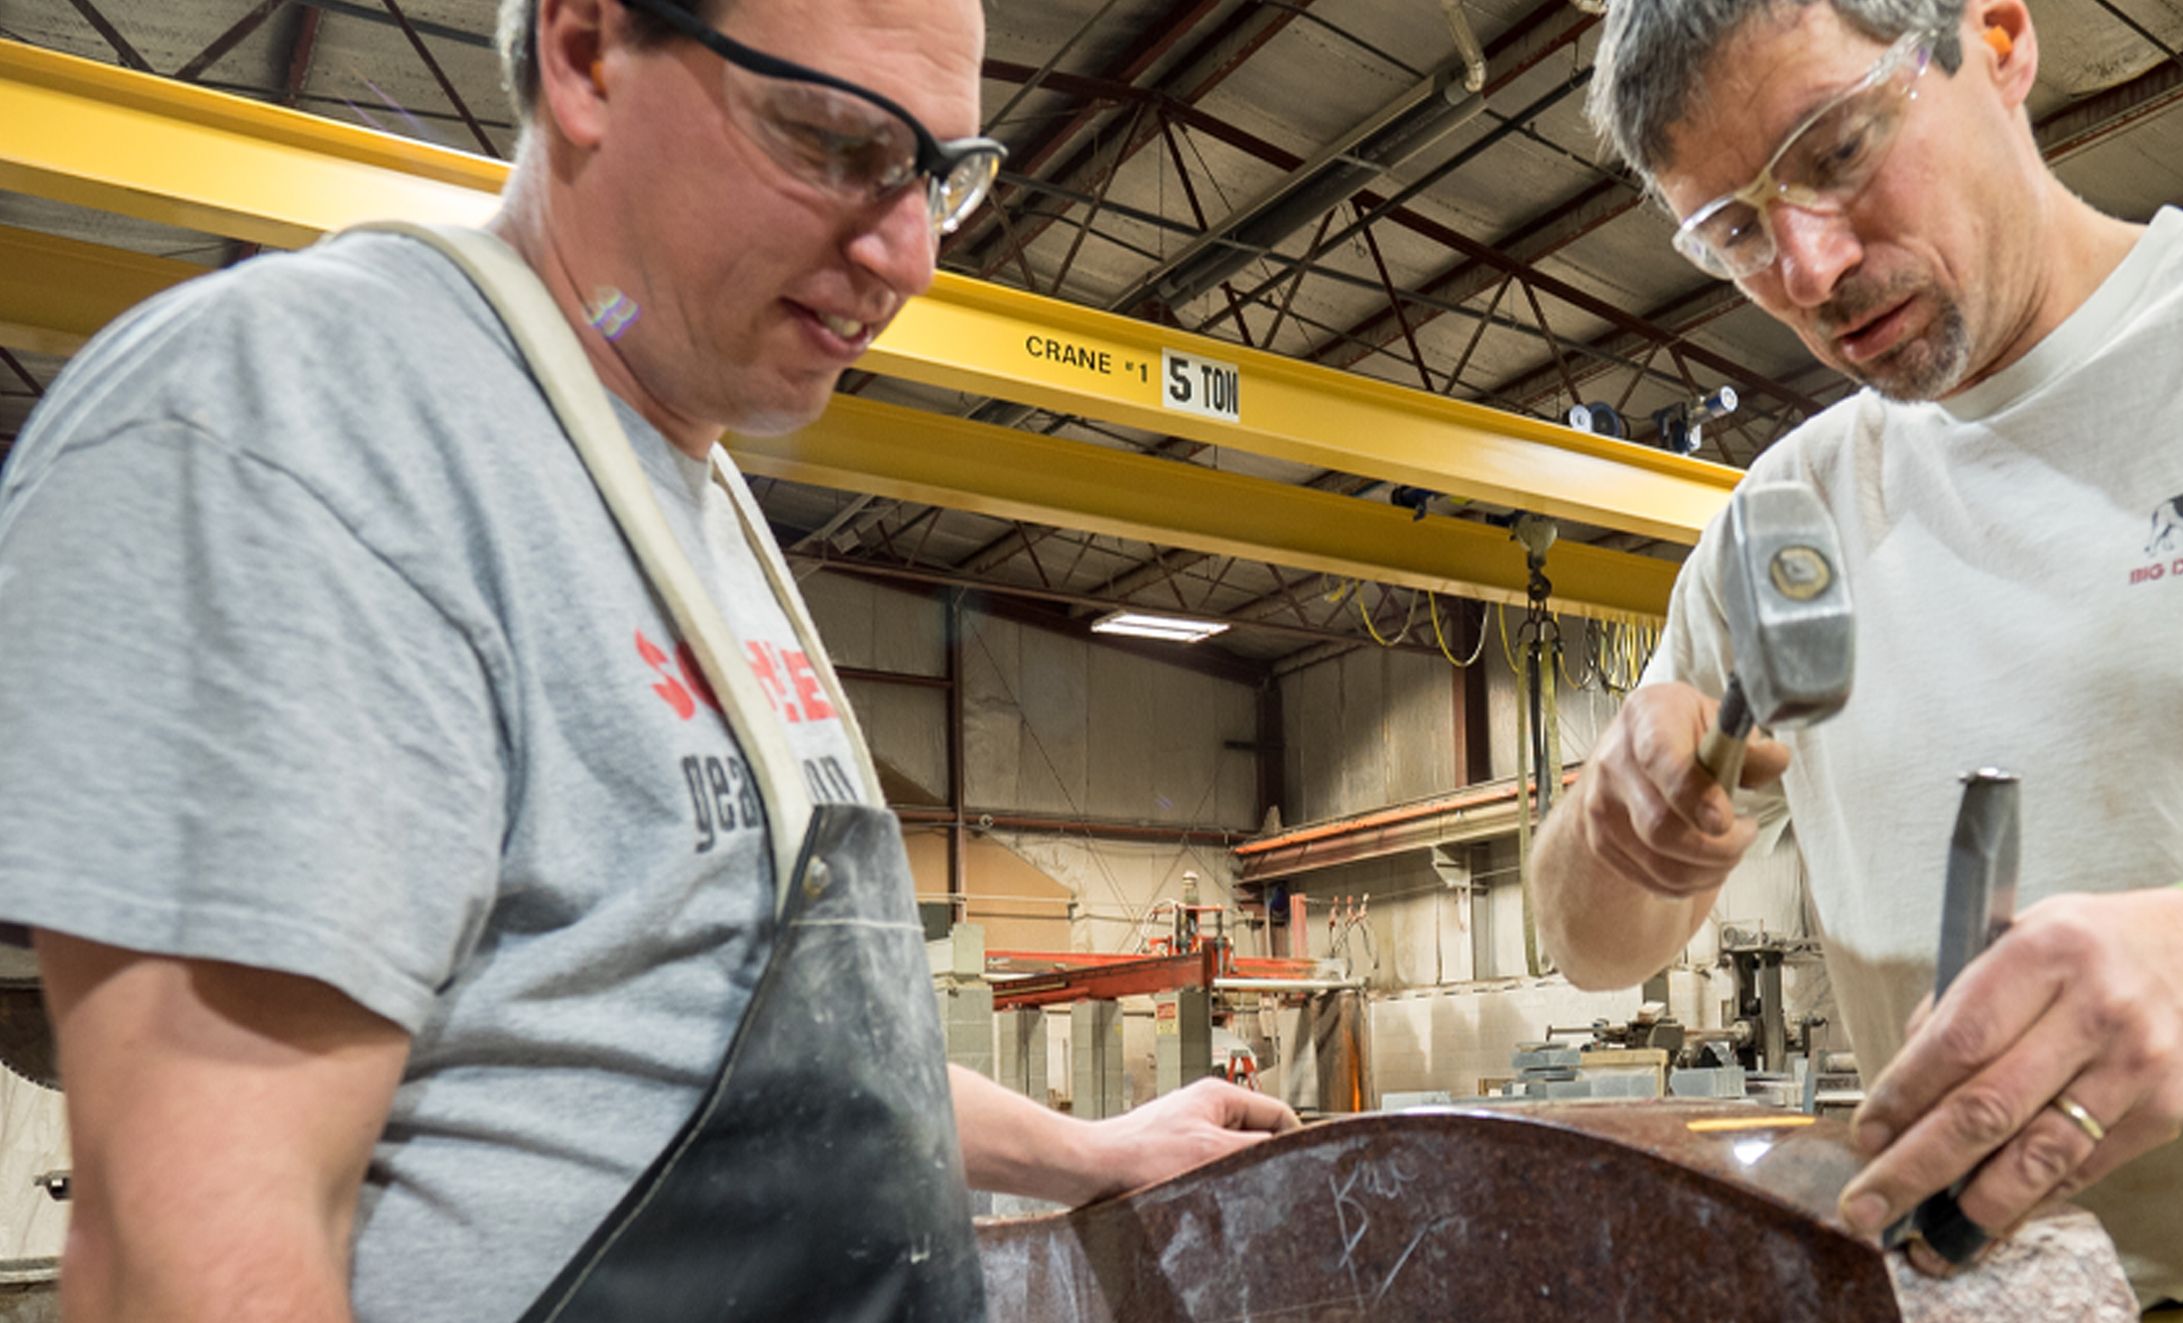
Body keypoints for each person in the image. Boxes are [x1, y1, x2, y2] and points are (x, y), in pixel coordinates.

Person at [0, 0, 1295, 1319]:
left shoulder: (692, 505)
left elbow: (766, 1065)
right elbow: (192, 1263)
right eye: (839, 143)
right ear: (585, 56)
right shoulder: (308, 426)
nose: (906, 254)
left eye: (938, 178)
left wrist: (1089, 1152)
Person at [1537, 0, 2183, 1315]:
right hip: (1972, 1294)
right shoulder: (1790, 515)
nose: (1806, 270)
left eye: (1838, 151)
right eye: (1737, 232)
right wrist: (1617, 821)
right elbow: (1590, 946)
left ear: (1997, 41)